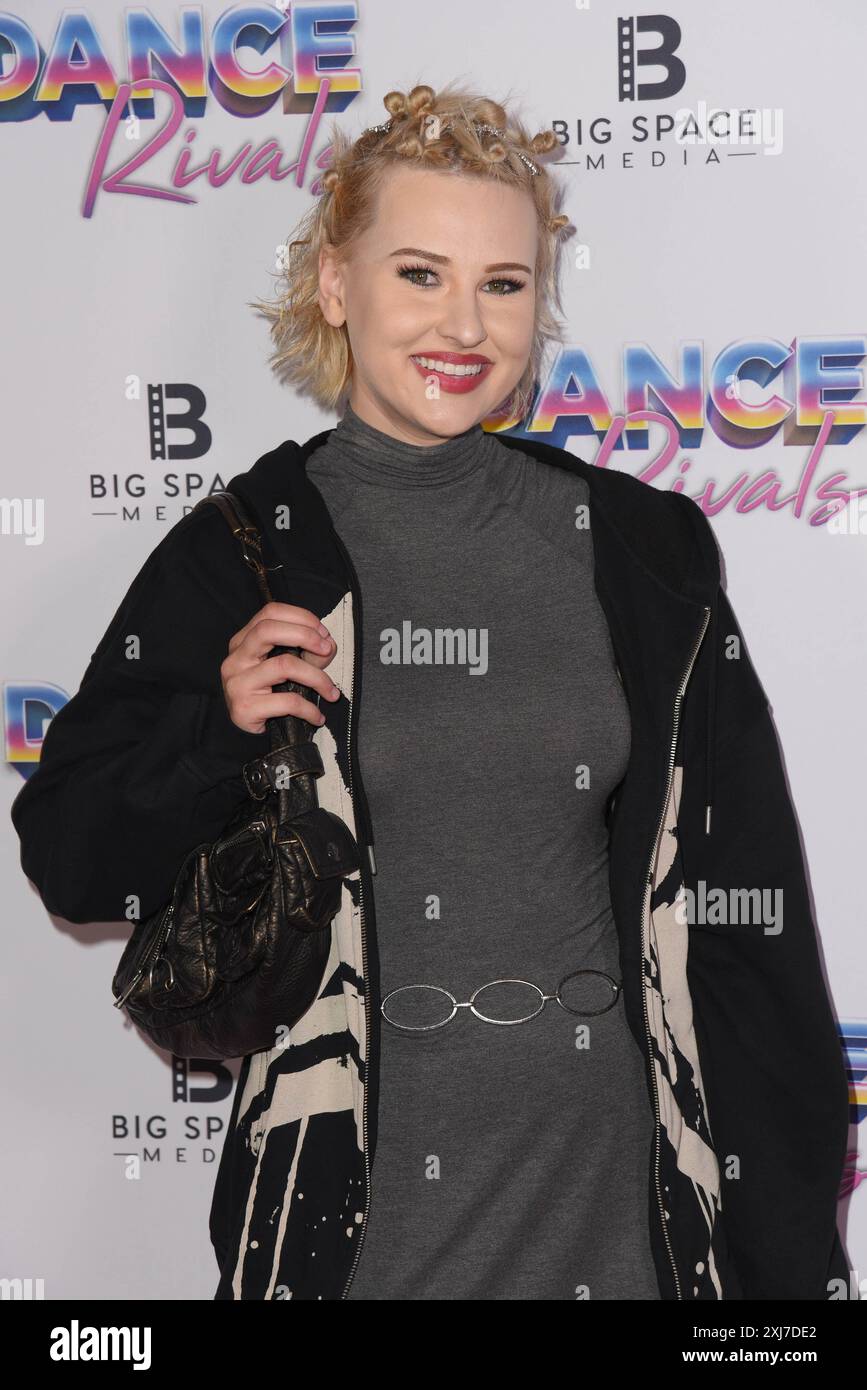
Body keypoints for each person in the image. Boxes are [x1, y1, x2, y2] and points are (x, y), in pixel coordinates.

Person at [11, 81, 851, 1302]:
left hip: (624, 1216)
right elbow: (72, 856)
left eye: (502, 284)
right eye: (419, 274)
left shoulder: (641, 548)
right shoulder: (247, 550)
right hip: (355, 1228)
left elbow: (745, 928)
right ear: (334, 285)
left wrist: (788, 1273)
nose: (464, 323)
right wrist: (215, 734)